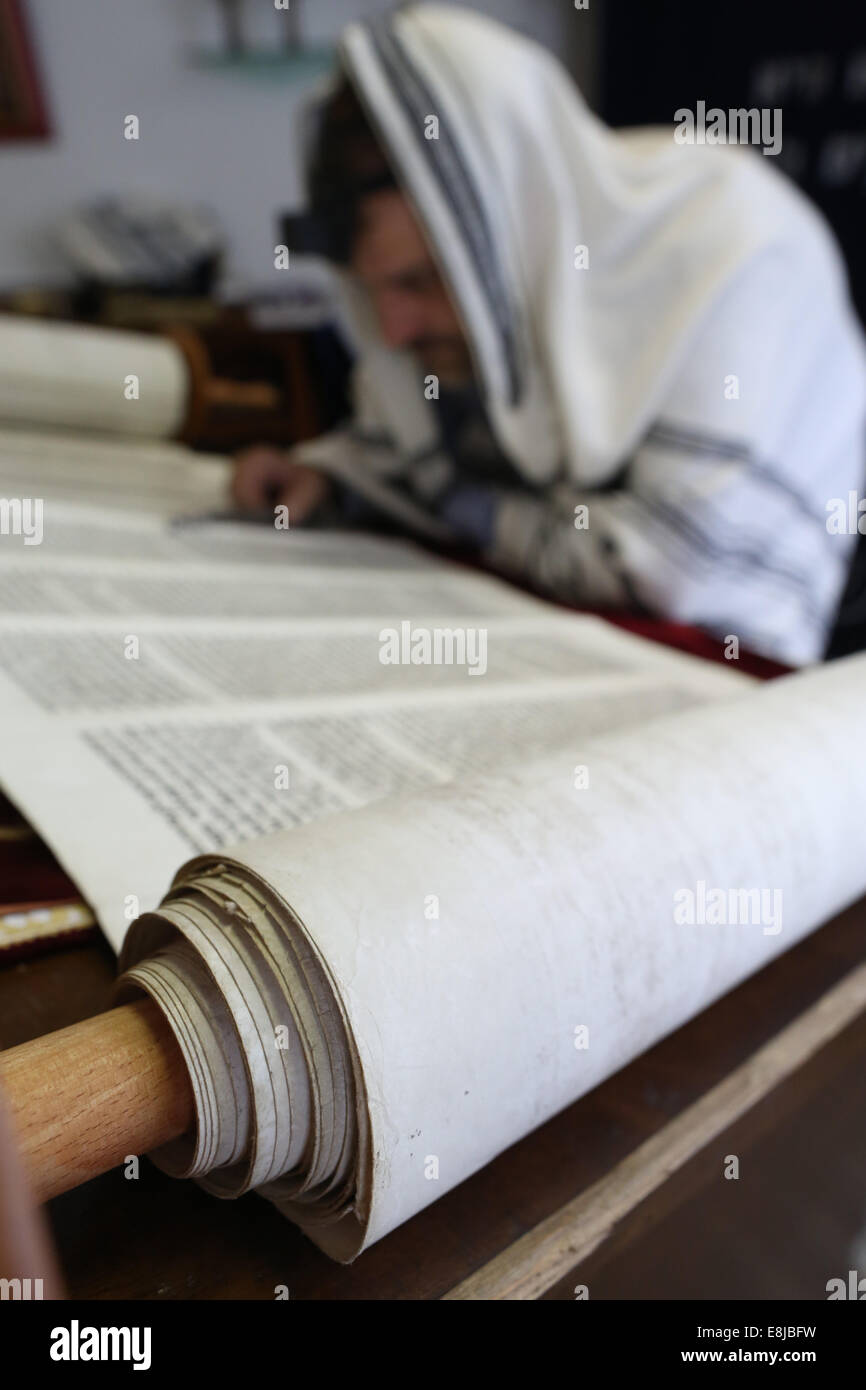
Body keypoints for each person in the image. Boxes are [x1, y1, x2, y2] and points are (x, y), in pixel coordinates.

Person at [233, 4, 866, 666]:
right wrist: (329, 480)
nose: (392, 331)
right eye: (374, 291)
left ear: (508, 231)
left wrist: (459, 502)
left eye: (422, 282)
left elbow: (672, 576)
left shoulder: (734, 246)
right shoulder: (464, 315)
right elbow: (398, 453)